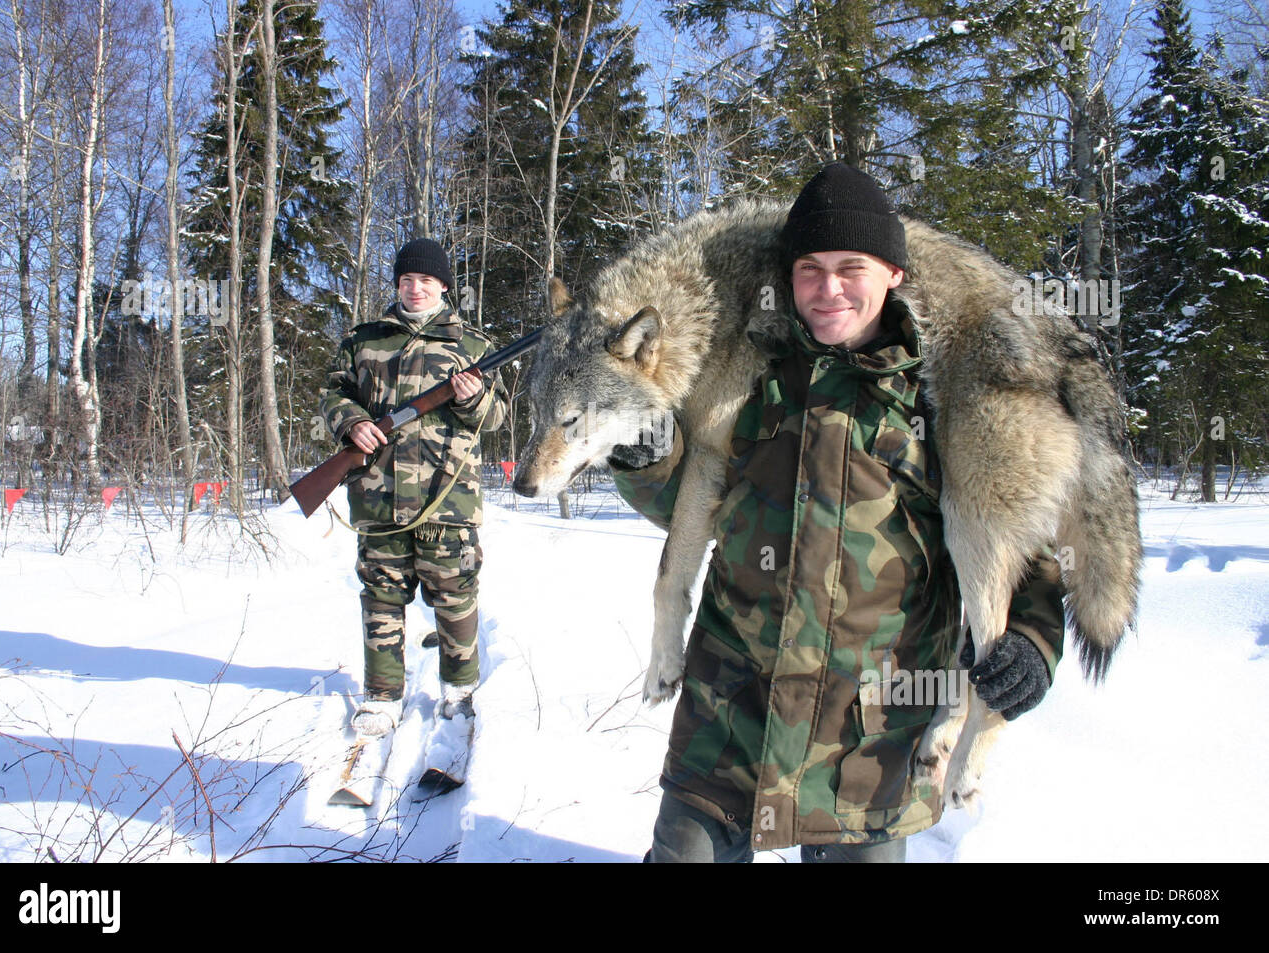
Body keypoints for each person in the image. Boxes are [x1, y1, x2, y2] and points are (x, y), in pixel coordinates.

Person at [609, 163, 1067, 862]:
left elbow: (1019, 544)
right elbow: (691, 505)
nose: (827, 289)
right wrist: (646, 461)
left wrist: (1032, 641)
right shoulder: (749, 368)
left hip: (872, 746)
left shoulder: (947, 395)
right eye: (808, 268)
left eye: (851, 267)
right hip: (728, 720)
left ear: (896, 273)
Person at [320, 238, 508, 735]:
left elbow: (496, 418)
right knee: (381, 597)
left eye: (426, 280)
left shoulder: (475, 348)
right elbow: (332, 394)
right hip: (378, 498)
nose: (416, 288)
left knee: (455, 595)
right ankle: (382, 697)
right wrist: (351, 423)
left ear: (444, 286)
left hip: (447, 500)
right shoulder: (363, 341)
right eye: (407, 280)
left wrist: (470, 402)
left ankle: (459, 690)